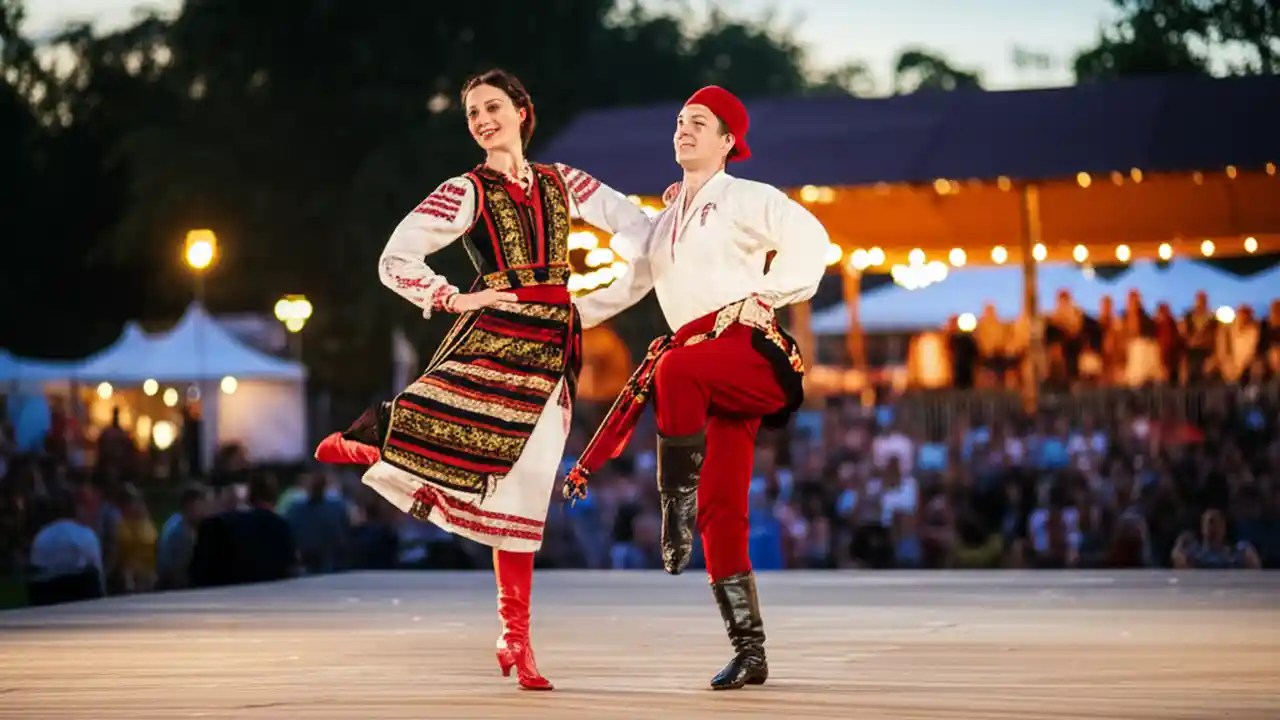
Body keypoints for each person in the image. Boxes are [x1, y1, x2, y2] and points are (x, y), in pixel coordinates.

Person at [314, 68, 650, 691]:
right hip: (495, 339)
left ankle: (514, 638)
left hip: (551, 351)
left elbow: (640, 233)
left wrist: (589, 303)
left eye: (493, 106)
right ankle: (377, 437)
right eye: (472, 114)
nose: (483, 120)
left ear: (524, 110)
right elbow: (396, 257)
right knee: (450, 418)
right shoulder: (466, 190)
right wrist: (449, 298)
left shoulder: (563, 180)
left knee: (523, 494)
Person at [562, 85, 830, 690]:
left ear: (728, 140)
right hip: (702, 377)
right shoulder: (661, 226)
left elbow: (812, 239)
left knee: (673, 368)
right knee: (722, 509)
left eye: (699, 123)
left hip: (744, 354)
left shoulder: (745, 198)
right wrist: (562, 315)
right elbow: (623, 289)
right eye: (680, 121)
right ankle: (750, 650)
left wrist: (767, 294)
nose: (684, 130)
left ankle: (670, 505)